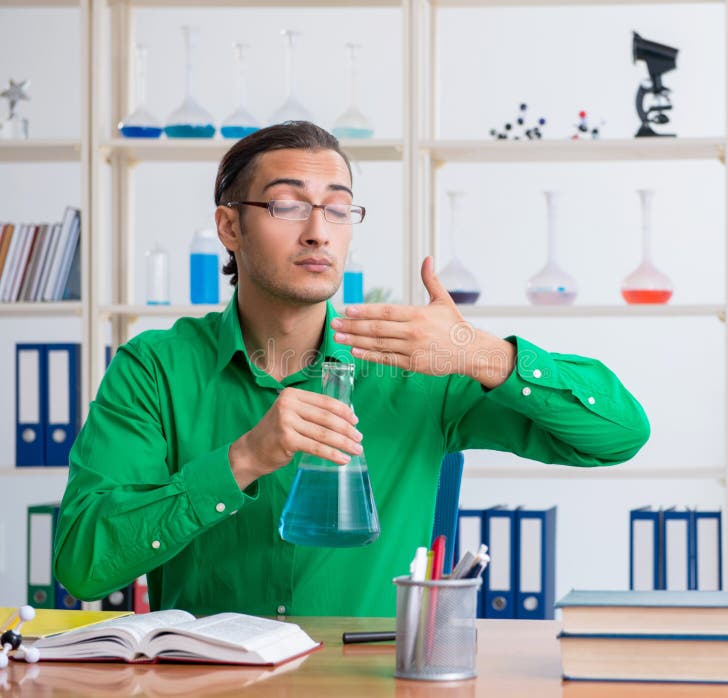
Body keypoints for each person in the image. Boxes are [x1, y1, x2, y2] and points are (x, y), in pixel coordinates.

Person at [54, 121, 649, 617]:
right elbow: (83, 564)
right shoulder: (155, 368)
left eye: (338, 210)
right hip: (208, 683)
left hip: (372, 680)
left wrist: (479, 351)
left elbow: (620, 435)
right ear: (230, 226)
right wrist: (244, 460)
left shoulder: (417, 364)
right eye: (287, 205)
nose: (318, 231)